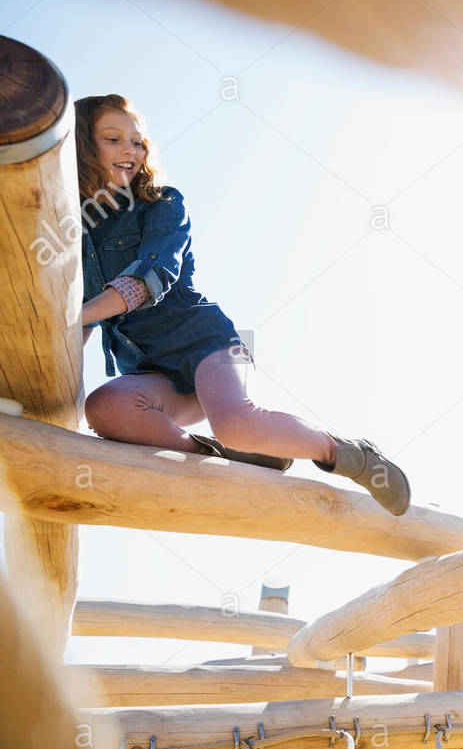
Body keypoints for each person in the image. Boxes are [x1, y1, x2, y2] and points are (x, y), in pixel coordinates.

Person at [75, 94, 410, 516]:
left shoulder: (163, 204)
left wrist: (74, 317)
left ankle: (348, 454)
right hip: (152, 373)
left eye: (138, 142)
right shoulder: (76, 229)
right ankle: (217, 458)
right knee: (104, 409)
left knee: (237, 425)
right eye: (113, 139)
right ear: (84, 146)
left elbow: (149, 279)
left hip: (207, 346)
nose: (130, 151)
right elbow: (78, 322)